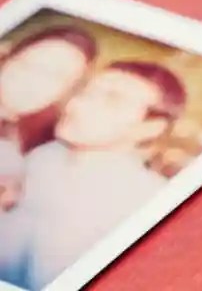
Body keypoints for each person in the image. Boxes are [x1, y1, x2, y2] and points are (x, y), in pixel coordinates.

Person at [0, 60, 187, 290]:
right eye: (85, 92)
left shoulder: (147, 205)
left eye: (112, 100)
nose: (76, 105)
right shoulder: (47, 155)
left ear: (150, 127)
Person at [0, 27, 99, 210]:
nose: (35, 83)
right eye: (31, 66)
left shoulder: (36, 148)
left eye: (57, 77)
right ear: (7, 58)